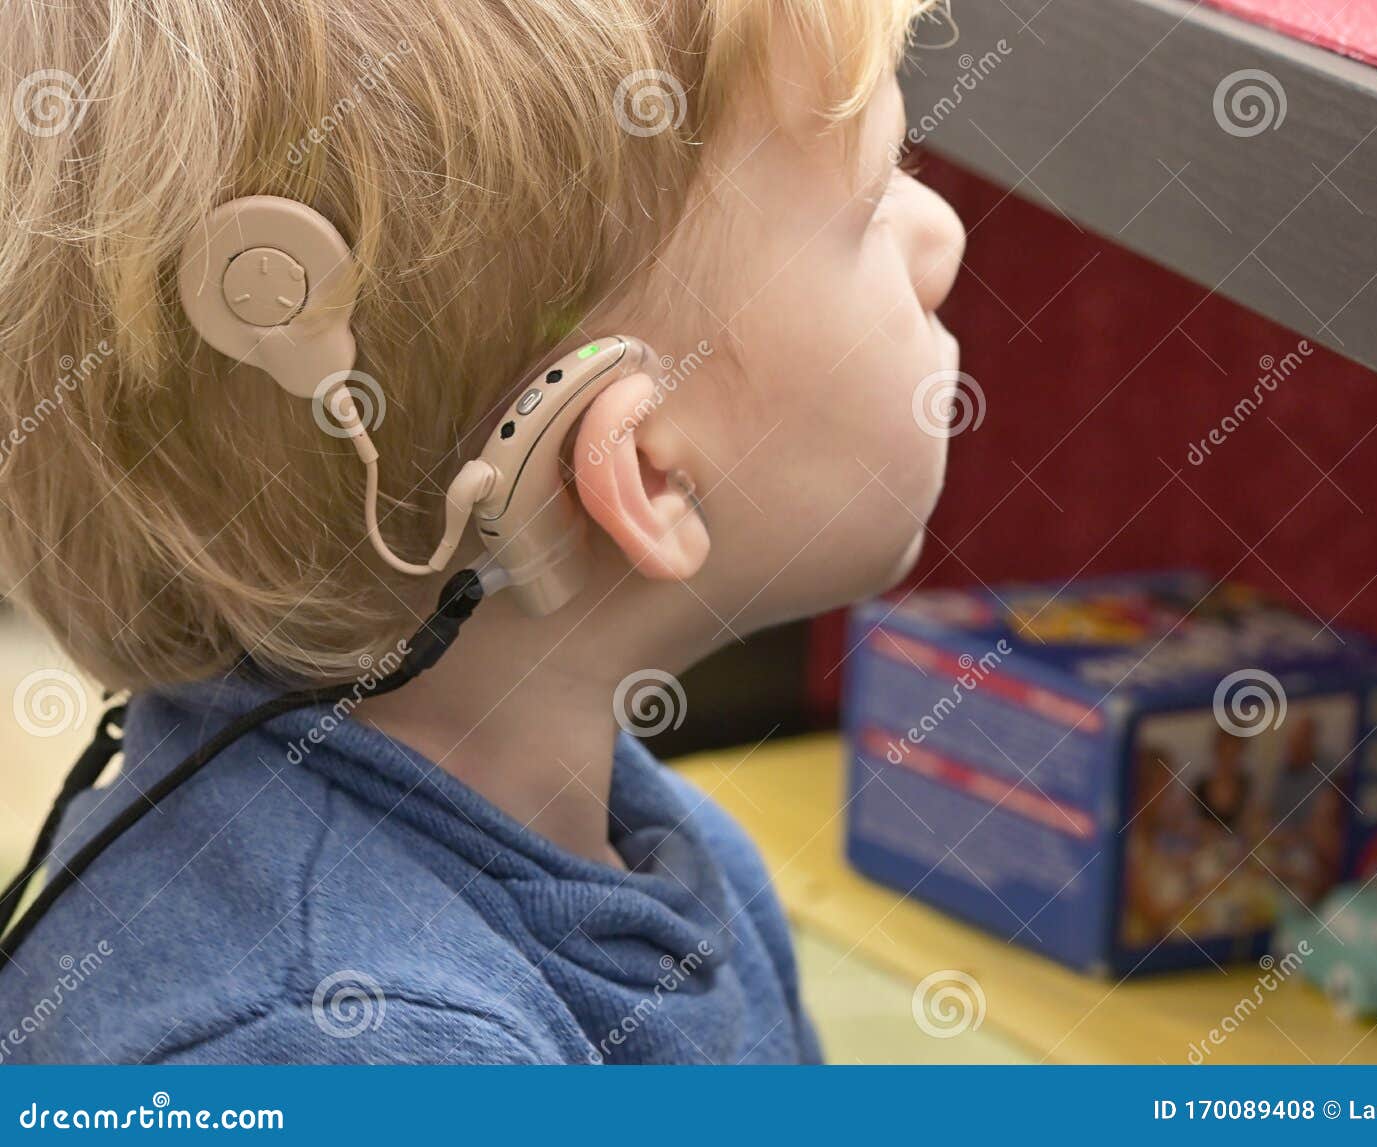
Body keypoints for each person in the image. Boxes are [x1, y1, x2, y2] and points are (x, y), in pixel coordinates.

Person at [0, 0, 964, 1064]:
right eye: (871, 204)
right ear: (642, 470)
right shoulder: (354, 1051)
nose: (942, 241)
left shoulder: (664, 858)